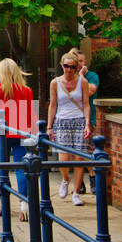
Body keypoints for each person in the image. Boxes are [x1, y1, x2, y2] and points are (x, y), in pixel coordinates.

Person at [0, 59, 36, 222]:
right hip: (22, 133)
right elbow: (30, 114)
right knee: (21, 168)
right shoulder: (27, 90)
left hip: (2, 135)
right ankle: (24, 206)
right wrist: (33, 134)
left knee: (3, 169)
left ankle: (4, 205)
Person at [48, 50, 91, 207]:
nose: (69, 70)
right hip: (62, 121)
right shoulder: (55, 83)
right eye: (66, 66)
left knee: (79, 158)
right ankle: (65, 180)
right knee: (64, 158)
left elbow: (86, 104)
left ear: (76, 67)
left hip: (79, 120)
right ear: (61, 65)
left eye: (72, 67)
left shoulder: (83, 82)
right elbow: (53, 105)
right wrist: (49, 126)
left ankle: (76, 193)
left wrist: (87, 123)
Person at [76, 50, 99, 194]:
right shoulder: (67, 77)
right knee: (75, 153)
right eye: (76, 61)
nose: (79, 64)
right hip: (72, 119)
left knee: (88, 150)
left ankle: (92, 177)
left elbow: (90, 90)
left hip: (88, 119)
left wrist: (80, 76)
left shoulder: (92, 76)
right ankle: (79, 183)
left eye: (81, 61)